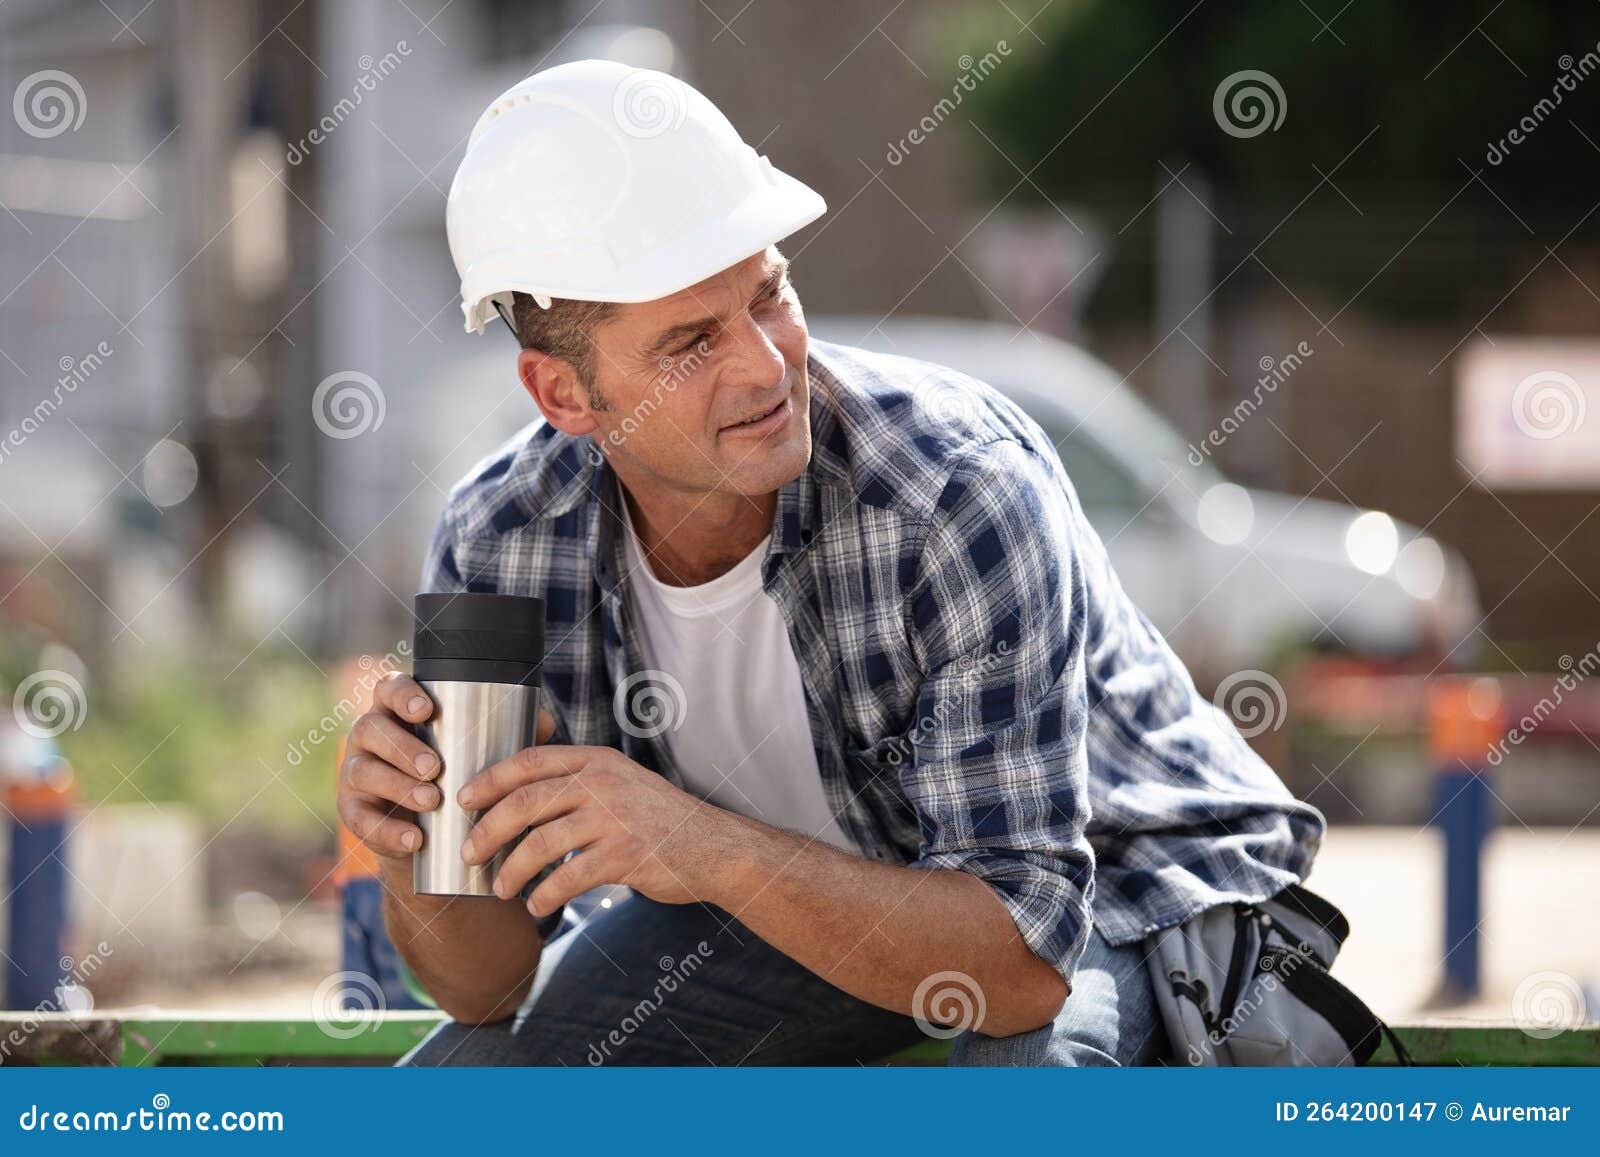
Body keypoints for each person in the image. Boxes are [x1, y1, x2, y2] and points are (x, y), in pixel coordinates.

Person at [336, 60, 1325, 1067]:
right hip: (790, 906)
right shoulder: (501, 536)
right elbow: (479, 987)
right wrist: (409, 847)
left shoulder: (953, 487)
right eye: (690, 344)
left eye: (769, 294)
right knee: (468, 1081)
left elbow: (1021, 961)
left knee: (1027, 1082)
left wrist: (698, 845)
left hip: (1127, 884)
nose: (765, 365)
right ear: (563, 395)